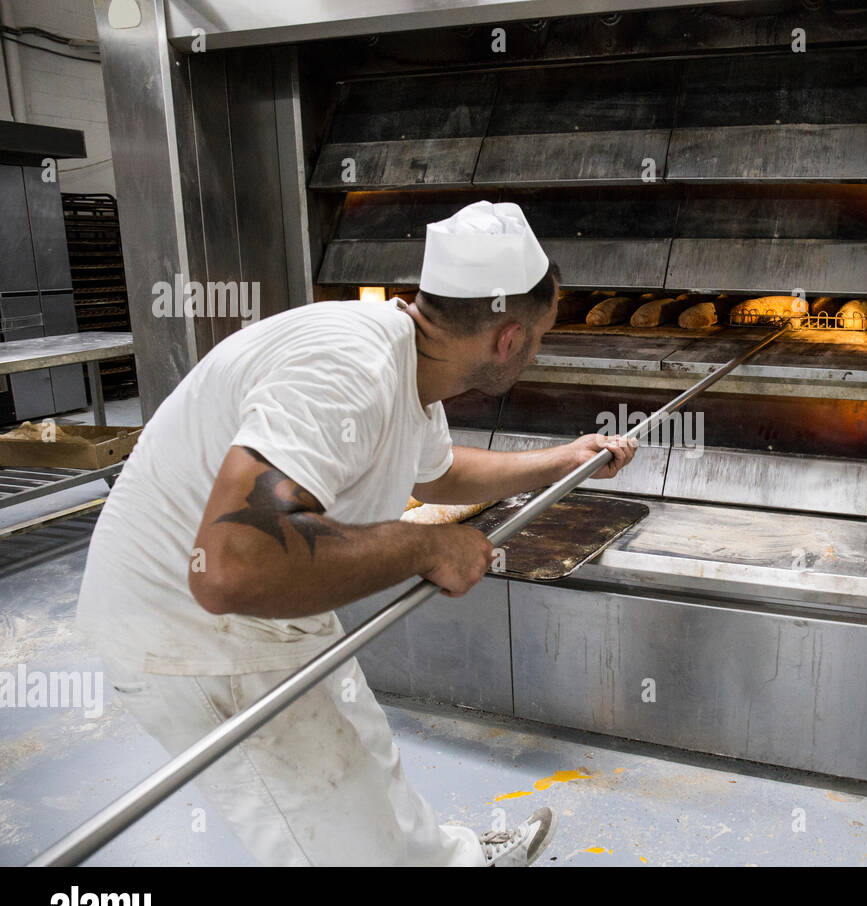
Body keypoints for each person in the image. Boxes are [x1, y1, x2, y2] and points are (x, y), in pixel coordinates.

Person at [75, 201, 637, 866]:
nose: (538, 350)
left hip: (268, 607)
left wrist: (561, 459)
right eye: (540, 335)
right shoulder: (348, 371)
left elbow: (435, 474)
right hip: (190, 631)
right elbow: (231, 567)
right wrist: (427, 547)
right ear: (508, 338)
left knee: (366, 756)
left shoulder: (408, 358)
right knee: (333, 833)